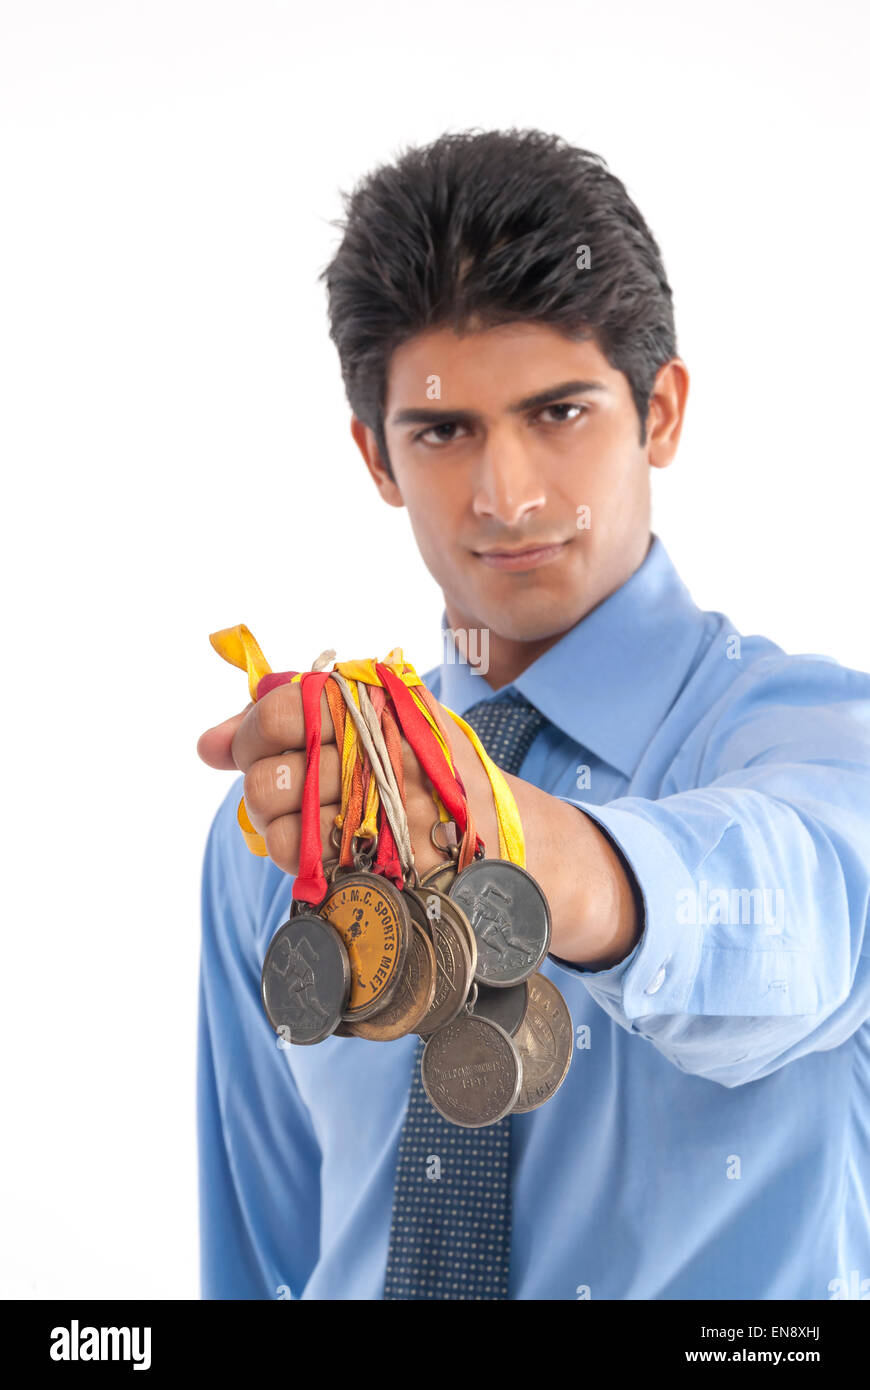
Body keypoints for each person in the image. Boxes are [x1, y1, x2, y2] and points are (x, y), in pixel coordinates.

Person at [196, 128, 870, 1300]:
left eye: (560, 413)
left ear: (660, 411)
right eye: (446, 430)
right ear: (376, 455)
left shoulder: (817, 746)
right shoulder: (293, 827)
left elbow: (794, 917)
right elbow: (259, 1255)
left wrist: (500, 834)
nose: (507, 497)